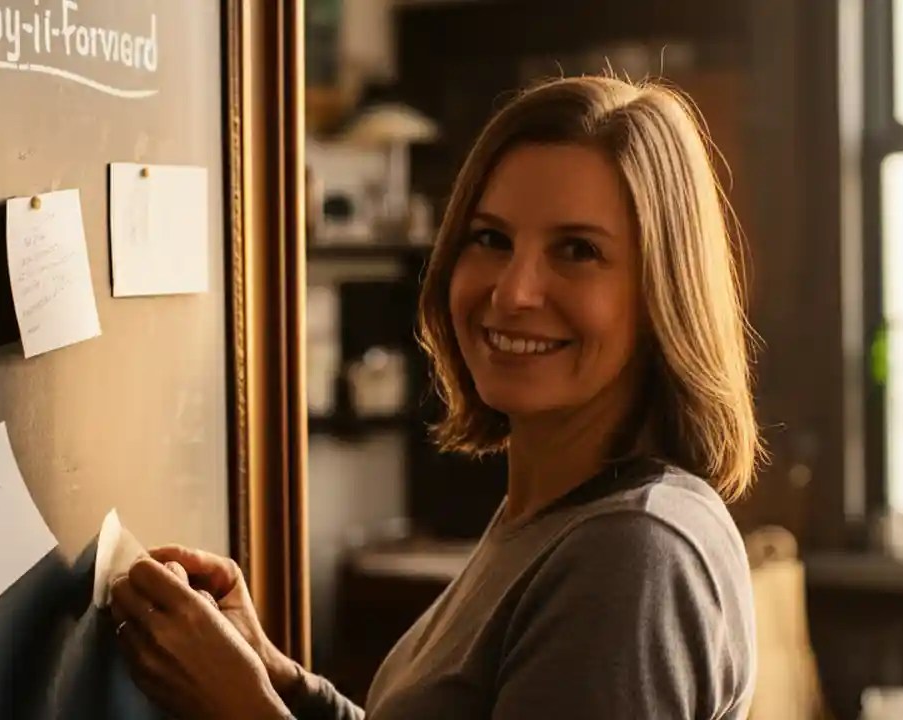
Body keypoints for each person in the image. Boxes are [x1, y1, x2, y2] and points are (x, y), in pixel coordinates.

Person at [108, 73, 762, 720]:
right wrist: (278, 681)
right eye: (491, 239)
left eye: (576, 250)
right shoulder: (551, 517)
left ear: (661, 294)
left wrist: (240, 708)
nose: (512, 292)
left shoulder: (632, 557)